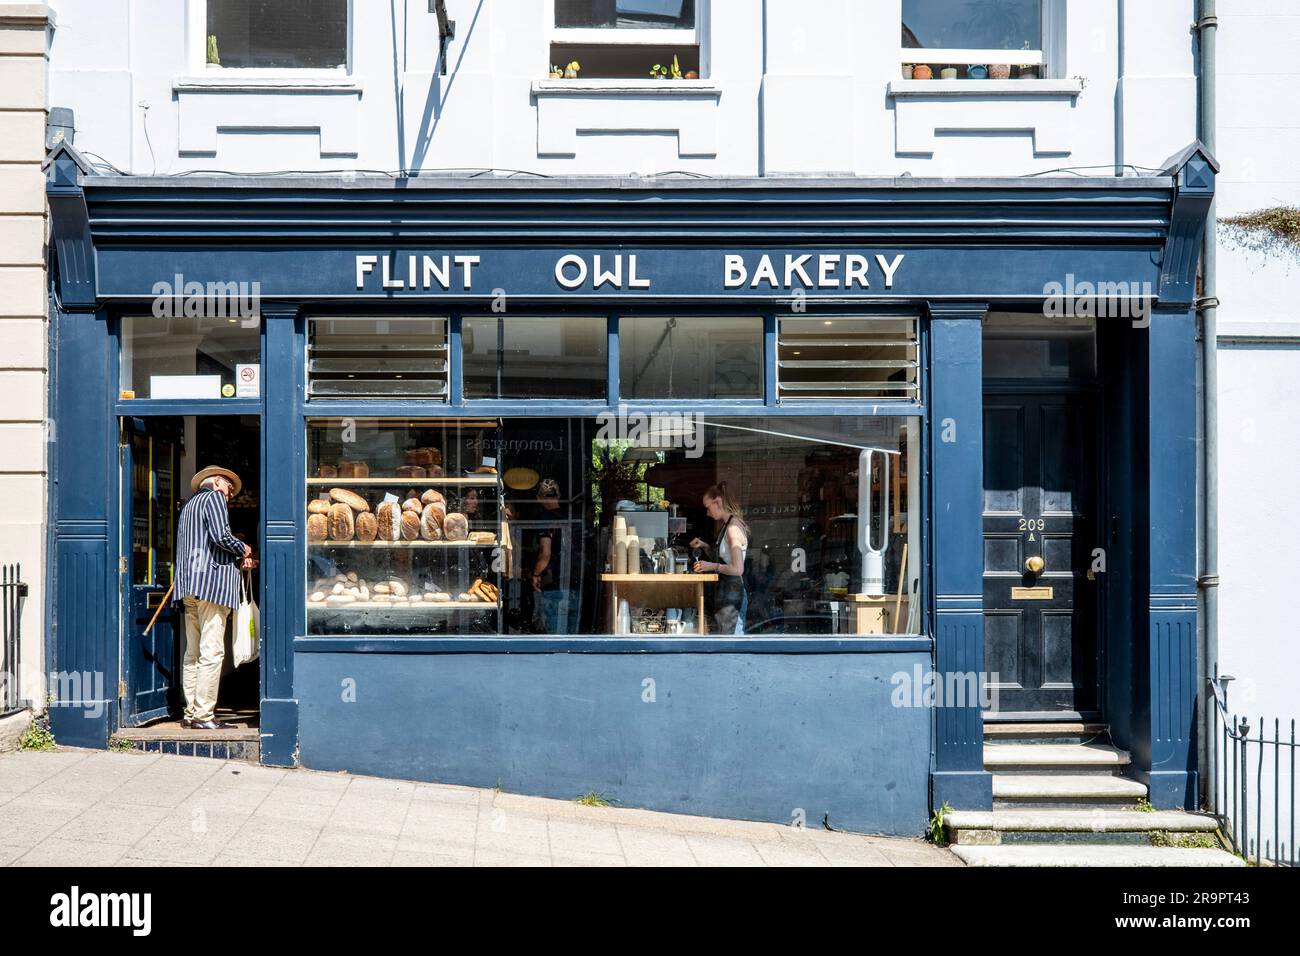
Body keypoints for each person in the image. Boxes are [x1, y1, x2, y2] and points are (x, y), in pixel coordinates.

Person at [173, 465, 256, 730]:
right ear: (218, 482)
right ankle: (205, 715)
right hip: (212, 586)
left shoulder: (188, 506)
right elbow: (221, 536)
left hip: (188, 586)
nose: (229, 495)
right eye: (229, 489)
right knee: (212, 652)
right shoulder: (214, 498)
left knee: (192, 653)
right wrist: (243, 548)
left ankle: (190, 712)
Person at [691, 481, 749, 634]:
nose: (707, 513)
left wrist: (711, 566)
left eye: (708, 507)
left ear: (717, 502)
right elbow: (725, 558)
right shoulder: (727, 525)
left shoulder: (733, 529)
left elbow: (737, 569)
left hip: (733, 597)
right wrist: (704, 545)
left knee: (732, 647)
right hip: (727, 594)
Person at [528, 479, 572, 633]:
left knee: (553, 634)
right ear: (558, 495)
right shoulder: (569, 515)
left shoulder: (545, 517)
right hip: (575, 581)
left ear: (539, 498)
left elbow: (545, 553)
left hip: (554, 583)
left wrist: (535, 574)